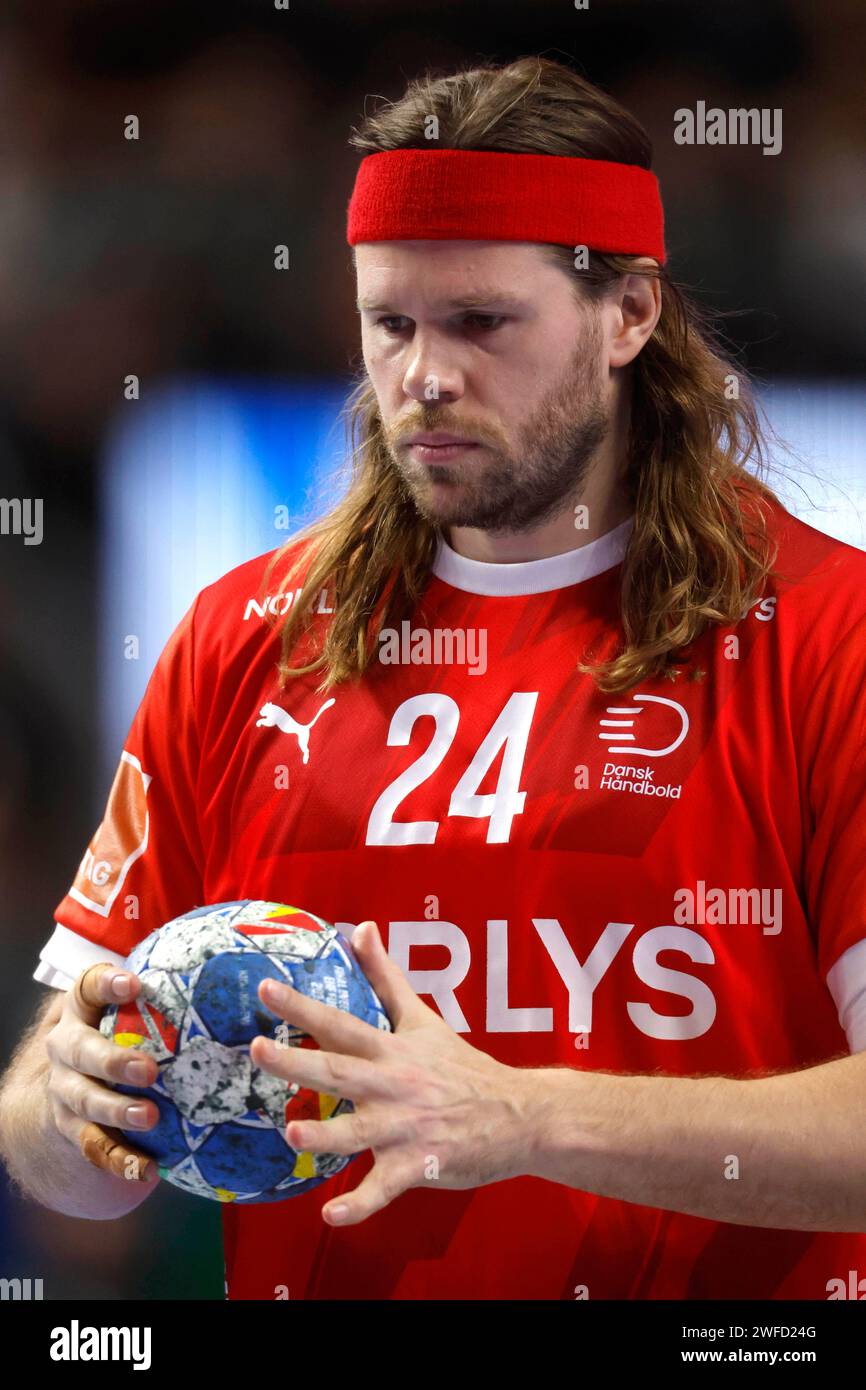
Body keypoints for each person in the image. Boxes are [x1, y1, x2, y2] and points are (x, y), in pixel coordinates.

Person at [3, 54, 866, 1301]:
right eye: (391, 323)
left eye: (481, 322)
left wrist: (518, 1116)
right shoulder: (245, 635)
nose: (424, 376)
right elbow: (65, 1150)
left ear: (627, 315)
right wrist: (68, 1107)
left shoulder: (819, 635)